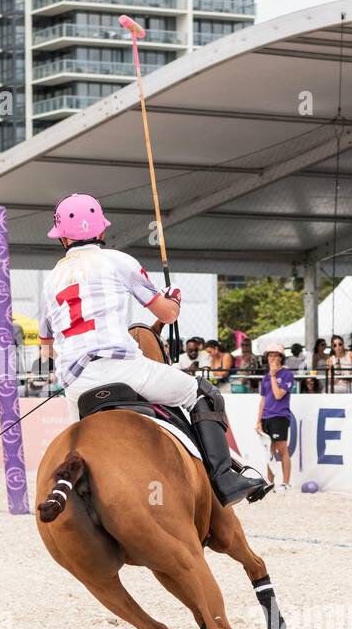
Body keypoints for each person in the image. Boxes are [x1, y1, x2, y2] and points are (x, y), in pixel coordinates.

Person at [36, 193, 265, 505]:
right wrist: (173, 299)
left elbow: (47, 349)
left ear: (62, 238)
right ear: (102, 232)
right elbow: (167, 314)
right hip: (126, 371)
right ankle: (225, 478)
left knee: (77, 445)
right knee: (201, 393)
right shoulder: (119, 261)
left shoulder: (51, 281)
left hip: (77, 387)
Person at [255, 348, 294, 493]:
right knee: (269, 451)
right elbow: (263, 400)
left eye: (274, 355)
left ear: (281, 357)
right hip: (266, 417)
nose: (271, 358)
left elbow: (278, 395)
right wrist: (258, 421)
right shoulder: (266, 377)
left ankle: (286, 483)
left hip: (279, 416)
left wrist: (272, 376)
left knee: (281, 449)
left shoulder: (287, 375)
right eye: (269, 355)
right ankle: (270, 483)